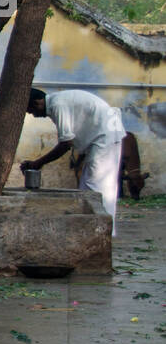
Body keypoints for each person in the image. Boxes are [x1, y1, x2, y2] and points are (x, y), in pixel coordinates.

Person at [21, 88, 126, 234]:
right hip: (101, 136)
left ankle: (103, 231)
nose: (32, 114)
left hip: (104, 136)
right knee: (87, 187)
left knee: (97, 185)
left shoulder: (57, 105)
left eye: (31, 110)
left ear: (38, 102)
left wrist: (38, 163)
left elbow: (66, 143)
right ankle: (94, 229)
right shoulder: (57, 102)